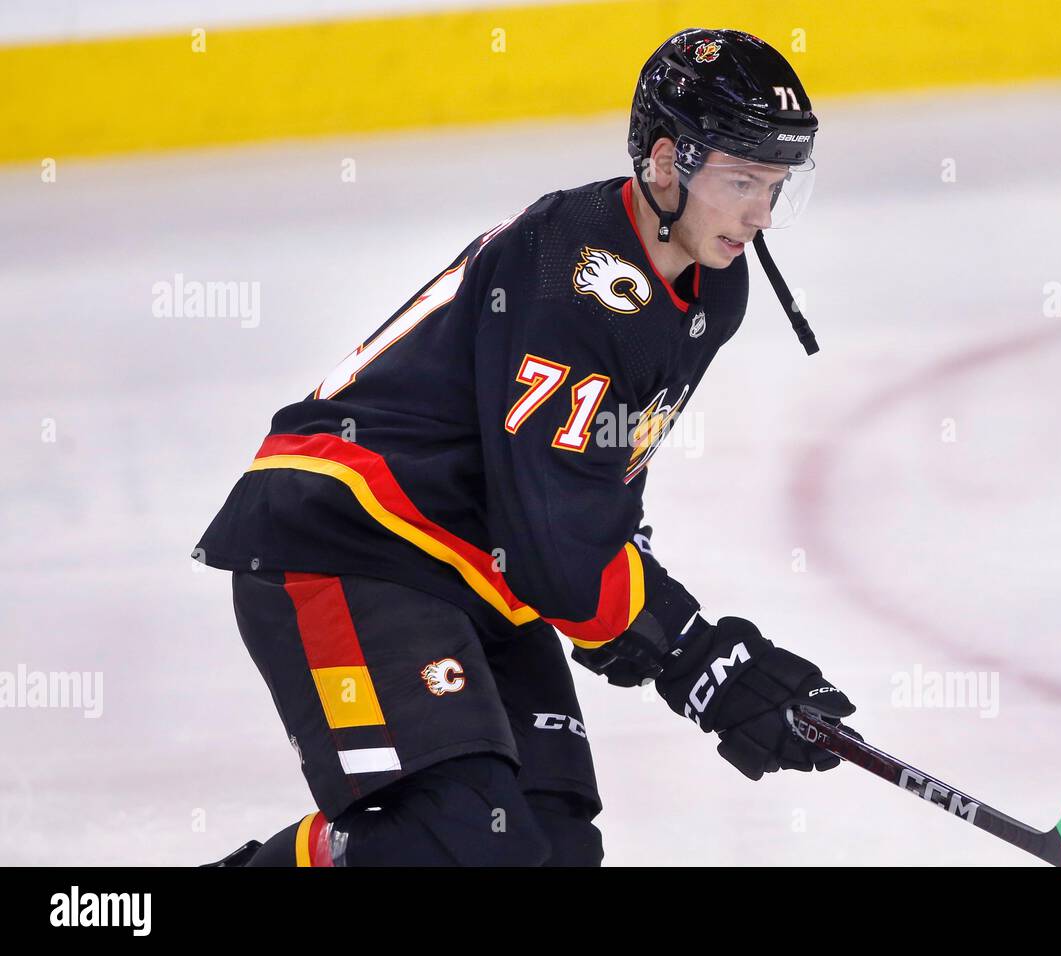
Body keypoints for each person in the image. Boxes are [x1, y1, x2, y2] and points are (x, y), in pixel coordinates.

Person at [195, 27, 854, 868]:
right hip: (348, 541)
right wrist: (689, 647)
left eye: (776, 185)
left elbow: (596, 489)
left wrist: (680, 644)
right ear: (664, 162)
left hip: (476, 566)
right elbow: (553, 546)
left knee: (547, 848)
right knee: (457, 849)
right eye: (741, 182)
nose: (761, 214)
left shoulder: (711, 286)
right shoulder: (575, 274)